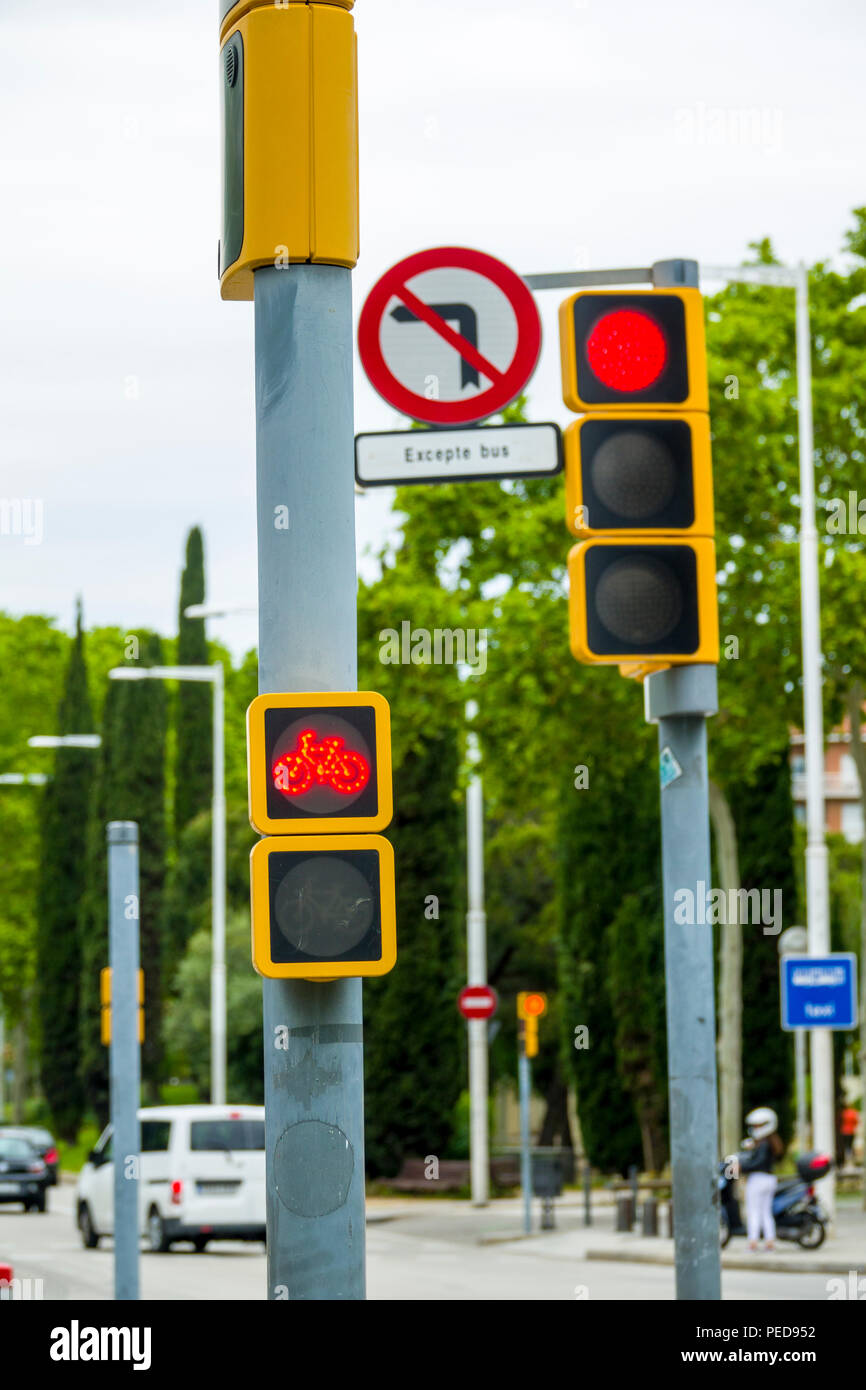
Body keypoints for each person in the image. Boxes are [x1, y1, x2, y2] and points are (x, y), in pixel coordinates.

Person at [739, 1106, 783, 1251]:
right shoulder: (771, 1142)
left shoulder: (763, 1144)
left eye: (758, 1125)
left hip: (758, 1179)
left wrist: (741, 1167)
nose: (755, 1128)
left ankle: (753, 1242)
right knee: (765, 1211)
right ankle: (769, 1241)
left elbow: (757, 1163)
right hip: (770, 1179)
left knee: (754, 1211)